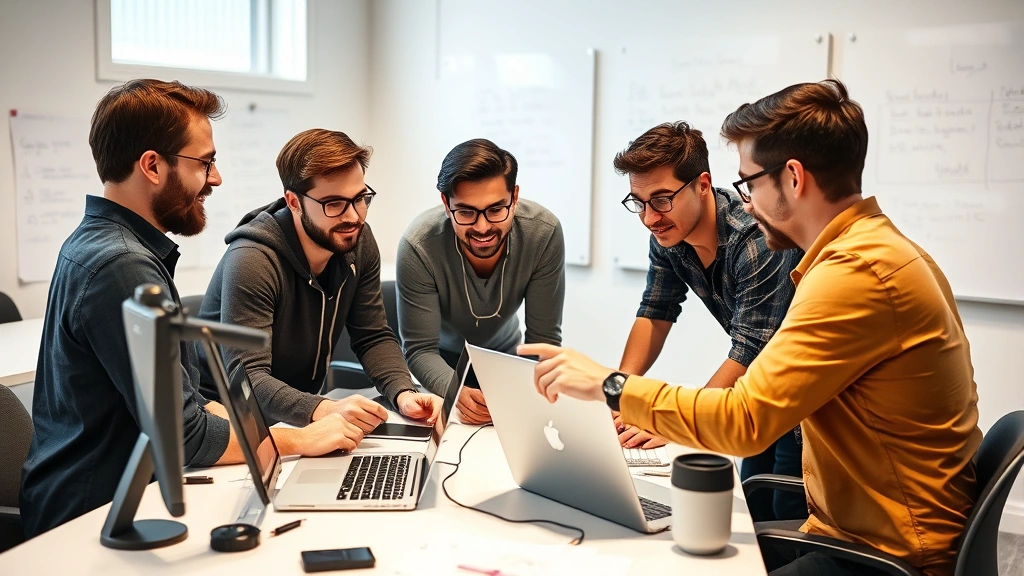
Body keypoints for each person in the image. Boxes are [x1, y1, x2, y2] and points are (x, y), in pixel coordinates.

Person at [521, 79, 981, 576]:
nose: (745, 200)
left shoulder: (851, 276)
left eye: (749, 183)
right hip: (863, 528)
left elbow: (743, 421)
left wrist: (611, 386)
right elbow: (660, 313)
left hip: (888, 556)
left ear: (794, 179)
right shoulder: (870, 251)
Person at [20, 80, 368, 538]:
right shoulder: (122, 267)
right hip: (90, 517)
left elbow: (189, 405)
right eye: (205, 163)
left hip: (121, 495)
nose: (216, 178)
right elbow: (183, 434)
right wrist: (297, 439)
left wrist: (295, 426)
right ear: (152, 166)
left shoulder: (108, 245)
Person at [612, 122, 804, 521]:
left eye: (662, 200)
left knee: (785, 523)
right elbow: (656, 310)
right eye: (639, 202)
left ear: (702, 184)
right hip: (759, 393)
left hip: (802, 406)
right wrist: (619, 395)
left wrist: (678, 420)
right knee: (754, 514)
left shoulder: (754, 241)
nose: (650, 218)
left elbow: (751, 347)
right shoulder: (668, 235)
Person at [198, 129, 440, 431]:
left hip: (299, 419)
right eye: (334, 204)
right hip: (225, 422)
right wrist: (326, 408)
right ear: (294, 202)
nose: (353, 216)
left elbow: (372, 335)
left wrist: (403, 392)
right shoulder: (252, 259)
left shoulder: (358, 241)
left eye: (360, 198)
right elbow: (248, 379)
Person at [397, 139, 565, 424]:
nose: (482, 227)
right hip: (441, 364)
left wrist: (526, 393)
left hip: (510, 359)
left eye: (496, 209)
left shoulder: (543, 233)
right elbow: (420, 349)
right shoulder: (419, 245)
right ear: (446, 204)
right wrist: (454, 389)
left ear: (514, 196)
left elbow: (543, 341)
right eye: (465, 212)